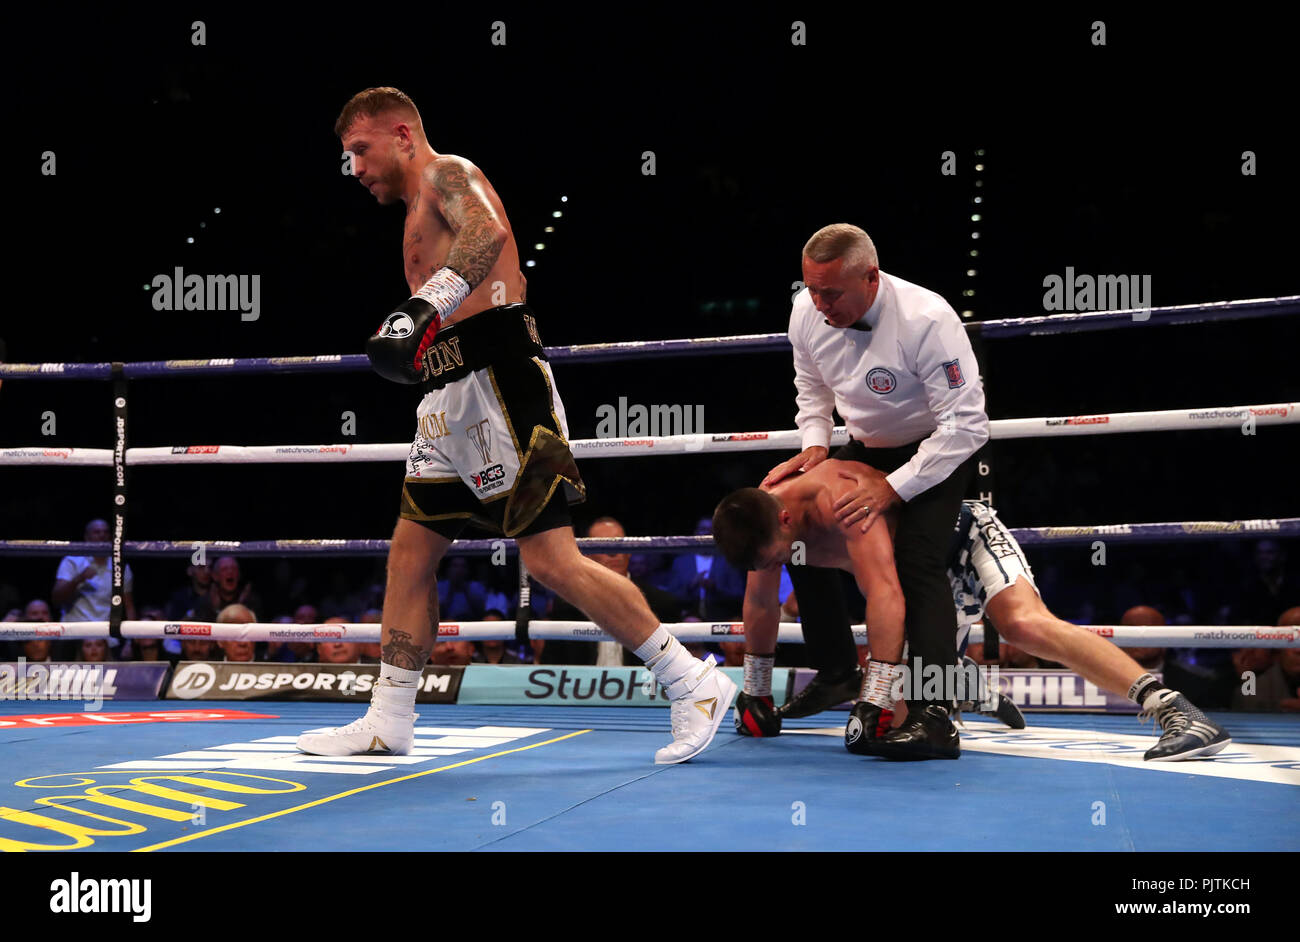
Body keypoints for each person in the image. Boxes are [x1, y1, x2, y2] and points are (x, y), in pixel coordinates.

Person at [297, 87, 734, 765]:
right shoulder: (413, 208)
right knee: (410, 556)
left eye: (360, 149)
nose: (353, 167)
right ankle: (388, 719)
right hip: (447, 401)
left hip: (503, 389)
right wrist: (416, 332)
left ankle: (692, 679)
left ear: (403, 134)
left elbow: (487, 233)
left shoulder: (448, 173)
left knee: (550, 560)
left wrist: (424, 306)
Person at [713, 476, 1231, 761]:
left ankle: (1176, 710)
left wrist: (870, 696)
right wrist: (756, 689)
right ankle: (971, 688)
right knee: (903, 717)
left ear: (784, 519)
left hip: (964, 540)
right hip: (924, 584)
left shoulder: (839, 503)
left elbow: (885, 596)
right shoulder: (760, 517)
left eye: (775, 555)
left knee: (1023, 625)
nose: (776, 566)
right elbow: (761, 604)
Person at [761, 224, 988, 759]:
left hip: (935, 450)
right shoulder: (806, 311)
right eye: (811, 289)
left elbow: (967, 427)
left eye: (831, 292)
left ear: (871, 276)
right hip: (863, 447)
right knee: (798, 535)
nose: (819, 304)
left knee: (916, 561)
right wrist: (817, 443)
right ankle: (838, 672)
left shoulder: (927, 319)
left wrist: (896, 486)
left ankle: (935, 716)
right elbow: (810, 384)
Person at [51, 519, 136, 628]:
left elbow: (128, 606)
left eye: (106, 532)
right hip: (74, 633)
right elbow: (56, 599)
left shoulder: (121, 567)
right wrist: (79, 579)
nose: (102, 535)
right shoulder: (72, 561)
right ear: (87, 537)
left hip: (105, 635)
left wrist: (131, 641)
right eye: (97, 532)